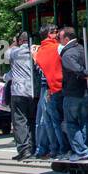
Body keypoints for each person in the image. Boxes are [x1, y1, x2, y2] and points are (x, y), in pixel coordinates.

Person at [33, 24, 70, 160]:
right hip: (59, 87)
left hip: (48, 88)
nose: (57, 33)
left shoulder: (39, 51)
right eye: (55, 32)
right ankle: (64, 148)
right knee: (63, 120)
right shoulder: (58, 47)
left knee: (50, 121)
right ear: (49, 35)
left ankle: (54, 149)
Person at [58, 27, 88, 161]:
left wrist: (84, 73)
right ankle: (85, 148)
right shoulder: (82, 49)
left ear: (66, 39)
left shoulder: (67, 54)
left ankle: (81, 151)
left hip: (72, 93)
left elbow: (76, 68)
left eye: (60, 38)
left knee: (70, 123)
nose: (59, 41)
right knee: (83, 121)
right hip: (84, 92)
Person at [6, 31, 36, 161]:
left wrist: (14, 41)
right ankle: (34, 146)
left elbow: (6, 52)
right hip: (33, 91)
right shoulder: (35, 52)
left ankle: (24, 150)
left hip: (18, 92)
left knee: (19, 121)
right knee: (32, 120)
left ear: (19, 41)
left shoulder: (14, 52)